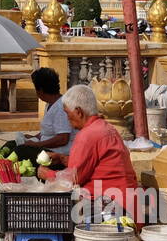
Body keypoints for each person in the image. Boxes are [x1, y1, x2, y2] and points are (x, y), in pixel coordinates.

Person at [40, 84, 139, 219]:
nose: (68, 120)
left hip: (111, 208)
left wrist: (47, 174)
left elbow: (72, 180)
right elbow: (94, 164)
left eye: (68, 114)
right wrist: (63, 158)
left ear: (79, 112)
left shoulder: (87, 135)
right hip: (129, 202)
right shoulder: (108, 128)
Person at [16, 67, 74, 166]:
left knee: (19, 151)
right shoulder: (50, 104)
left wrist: (37, 144)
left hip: (57, 153)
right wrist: (35, 137)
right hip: (46, 147)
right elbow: (49, 130)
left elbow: (63, 138)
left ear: (40, 90)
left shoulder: (61, 107)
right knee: (13, 144)